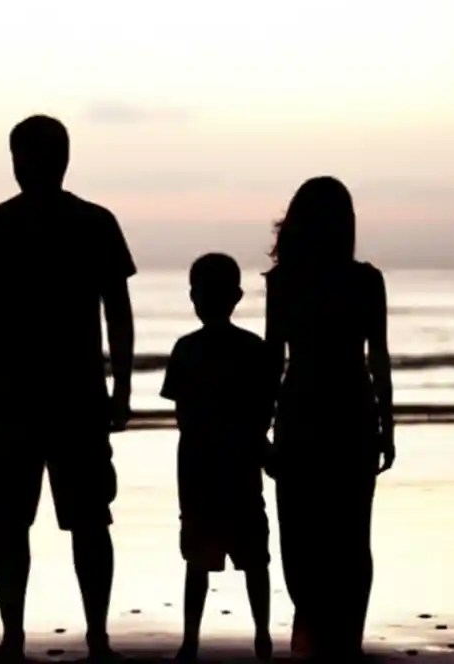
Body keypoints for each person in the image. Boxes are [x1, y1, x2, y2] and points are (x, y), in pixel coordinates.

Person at [0, 114, 136, 662]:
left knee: (34, 522)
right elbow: (119, 316)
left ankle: (32, 636)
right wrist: (121, 388)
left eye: (24, 155)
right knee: (71, 520)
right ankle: (79, 635)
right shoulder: (91, 222)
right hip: (62, 395)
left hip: (26, 397)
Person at [264, 177, 394, 659]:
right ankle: (343, 641)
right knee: (350, 539)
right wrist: (388, 424)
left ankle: (316, 634)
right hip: (350, 413)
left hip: (301, 413)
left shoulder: (285, 282)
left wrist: (261, 429)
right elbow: (377, 358)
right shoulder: (365, 281)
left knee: (302, 540)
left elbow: (273, 359)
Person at [160, 254, 274, 662]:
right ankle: (261, 636)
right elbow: (264, 412)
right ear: (236, 296)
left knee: (199, 562)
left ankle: (192, 640)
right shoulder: (254, 349)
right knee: (252, 560)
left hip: (200, 468)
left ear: (195, 297)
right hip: (238, 467)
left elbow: (182, 416)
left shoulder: (187, 349)